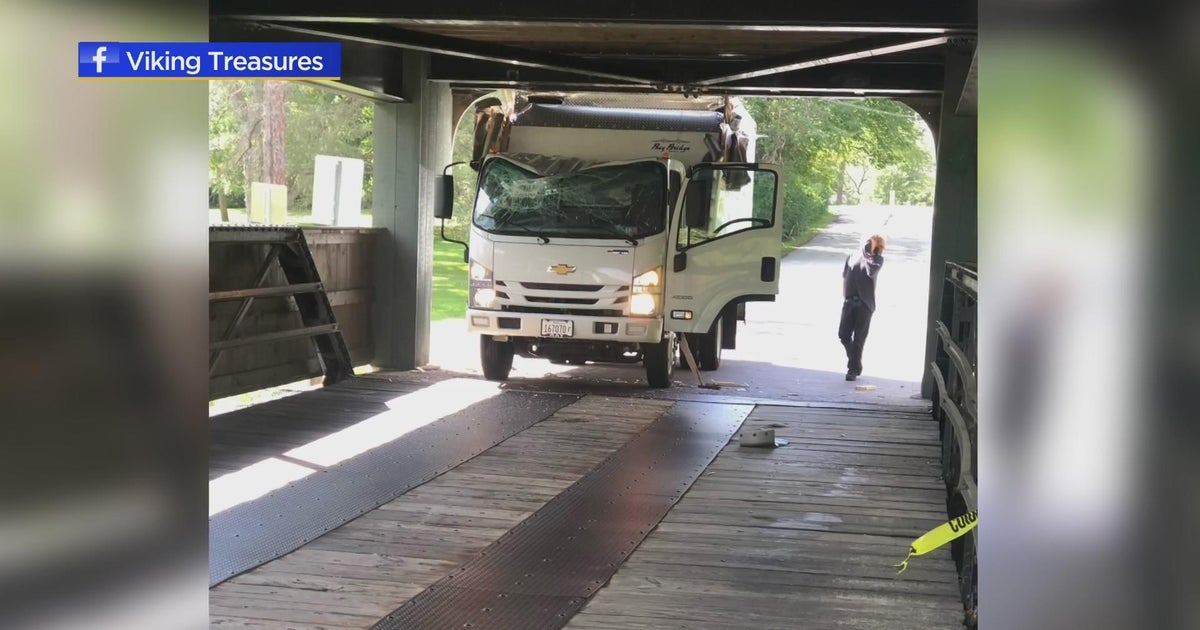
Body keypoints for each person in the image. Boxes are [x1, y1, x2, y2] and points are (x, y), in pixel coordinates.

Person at [839, 234, 886, 381]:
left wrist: (869, 251)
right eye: (867, 240)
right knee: (843, 335)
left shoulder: (876, 260)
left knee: (859, 338)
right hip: (849, 302)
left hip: (865, 304)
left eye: (871, 241)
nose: (867, 243)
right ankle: (856, 362)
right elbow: (845, 275)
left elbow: (870, 271)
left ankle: (852, 370)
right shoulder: (851, 256)